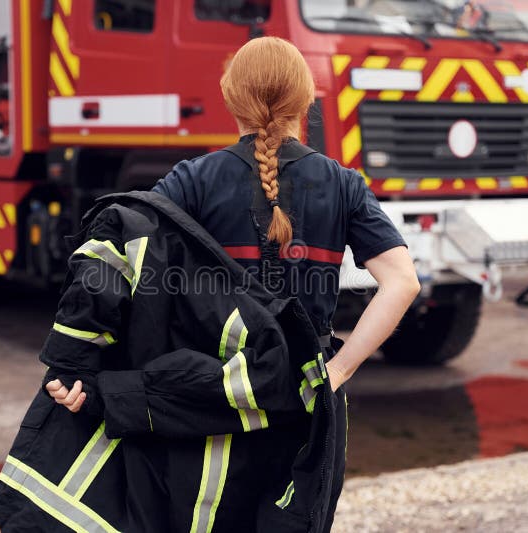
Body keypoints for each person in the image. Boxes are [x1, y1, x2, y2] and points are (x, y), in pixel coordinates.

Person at [44, 37, 419, 529]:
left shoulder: (192, 179)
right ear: (307, 100)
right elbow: (402, 282)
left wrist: (78, 365)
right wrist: (340, 369)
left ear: (229, 97)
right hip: (306, 401)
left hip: (213, 401)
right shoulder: (343, 184)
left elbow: (119, 255)